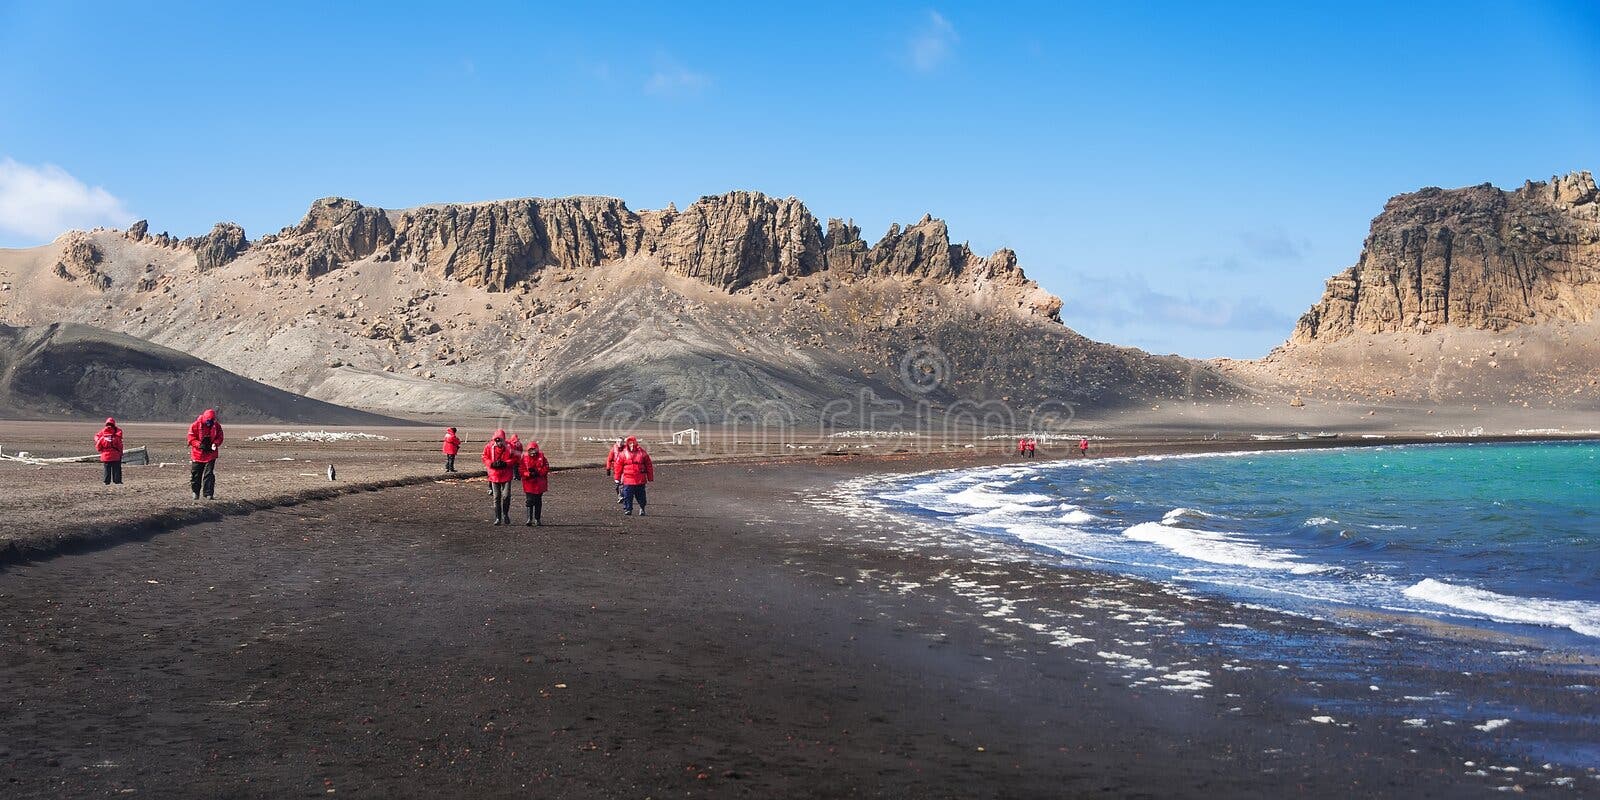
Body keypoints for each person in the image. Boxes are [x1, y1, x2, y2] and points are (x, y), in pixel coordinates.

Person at [186, 408, 223, 499]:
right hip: (197, 453)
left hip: (211, 454)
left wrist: (215, 444)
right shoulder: (195, 425)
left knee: (209, 474)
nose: (209, 422)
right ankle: (195, 492)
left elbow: (220, 437)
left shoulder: (216, 426)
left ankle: (208, 494)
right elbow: (191, 438)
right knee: (196, 474)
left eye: (211, 420)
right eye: (208, 420)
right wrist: (199, 444)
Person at [614, 436, 654, 516]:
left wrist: (650, 477)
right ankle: (628, 509)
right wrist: (617, 478)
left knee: (641, 496)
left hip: (640, 479)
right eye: (629, 443)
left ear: (635, 443)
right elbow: (618, 466)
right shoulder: (623, 453)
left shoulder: (642, 453)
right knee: (627, 495)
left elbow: (648, 465)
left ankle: (642, 508)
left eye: (632, 443)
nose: (631, 445)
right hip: (628, 479)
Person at [482, 429, 515, 525]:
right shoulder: (489, 447)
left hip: (506, 474)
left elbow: (516, 458)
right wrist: (491, 464)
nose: (499, 442)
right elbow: (484, 457)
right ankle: (498, 518)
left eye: (500, 440)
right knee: (496, 497)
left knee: (506, 496)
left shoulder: (510, 447)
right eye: (497, 440)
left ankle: (505, 514)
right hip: (494, 475)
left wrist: (506, 463)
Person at [519, 440, 550, 527]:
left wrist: (538, 472)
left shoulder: (542, 457)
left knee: (538, 501)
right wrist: (528, 474)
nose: (532, 452)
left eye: (534, 450)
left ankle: (537, 519)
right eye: (530, 450)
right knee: (529, 500)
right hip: (529, 483)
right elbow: (521, 470)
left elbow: (546, 467)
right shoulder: (524, 458)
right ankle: (529, 518)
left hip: (539, 483)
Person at [94, 417, 124, 485]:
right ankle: (117, 480)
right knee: (116, 468)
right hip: (115, 455)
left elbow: (98, 446)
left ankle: (106, 481)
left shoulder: (102, 437)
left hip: (105, 456)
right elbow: (120, 446)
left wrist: (102, 451)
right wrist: (120, 453)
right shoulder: (116, 436)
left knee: (106, 469)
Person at [605, 438, 625, 502]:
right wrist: (608, 469)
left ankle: (622, 496)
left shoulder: (626, 449)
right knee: (617, 485)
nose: (620, 443)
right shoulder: (614, 450)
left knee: (622, 484)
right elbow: (609, 459)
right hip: (616, 470)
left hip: (625, 470)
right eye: (618, 442)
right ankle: (619, 496)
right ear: (616, 442)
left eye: (621, 442)